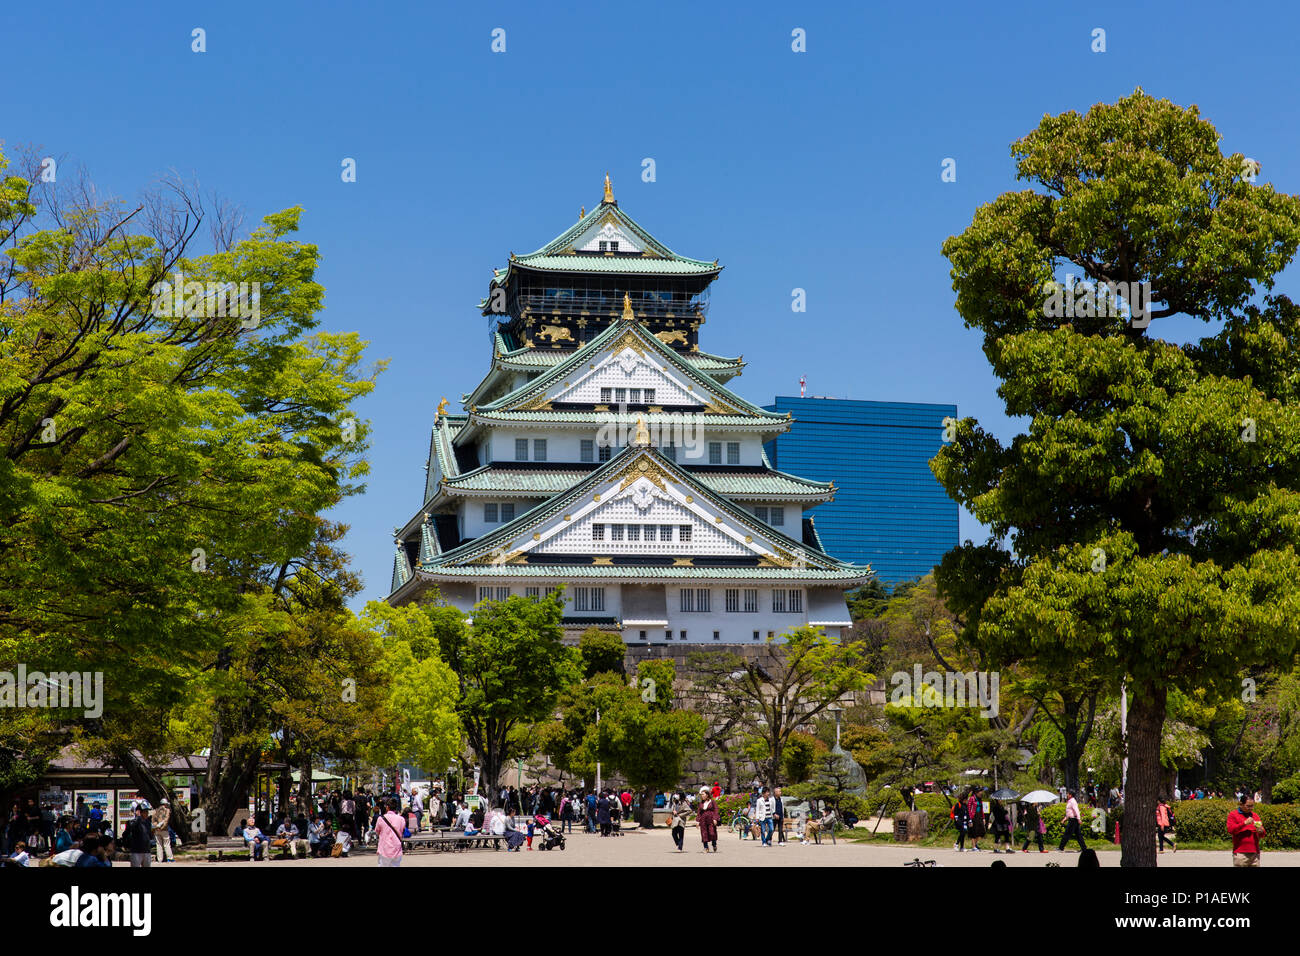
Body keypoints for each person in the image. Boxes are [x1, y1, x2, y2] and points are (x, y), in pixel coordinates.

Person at [1227, 794, 1265, 867]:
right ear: (1241, 804)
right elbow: (1231, 830)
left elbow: (1262, 834)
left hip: (1254, 852)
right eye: (1248, 806)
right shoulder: (1233, 815)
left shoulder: (1255, 815)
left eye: (1252, 806)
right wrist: (1244, 823)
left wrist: (1261, 831)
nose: (1250, 808)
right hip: (1240, 853)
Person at [375, 798, 406, 867]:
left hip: (384, 848)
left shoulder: (381, 819)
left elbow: (377, 831)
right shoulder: (401, 819)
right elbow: (402, 830)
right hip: (396, 847)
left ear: (387, 807)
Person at [151, 799, 174, 863]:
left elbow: (153, 820)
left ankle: (159, 859)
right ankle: (170, 858)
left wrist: (156, 827)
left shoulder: (156, 810)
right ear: (165, 804)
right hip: (164, 830)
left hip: (156, 830)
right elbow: (166, 820)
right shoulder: (167, 810)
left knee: (158, 845)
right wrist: (162, 827)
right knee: (166, 844)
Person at [696, 788, 718, 853]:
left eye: (703, 794)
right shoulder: (701, 803)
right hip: (703, 820)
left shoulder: (712, 802)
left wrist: (715, 818)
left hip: (711, 819)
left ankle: (714, 844)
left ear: (707, 795)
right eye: (701, 795)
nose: (702, 796)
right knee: (704, 833)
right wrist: (697, 821)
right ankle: (706, 847)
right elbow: (699, 812)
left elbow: (716, 810)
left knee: (712, 833)